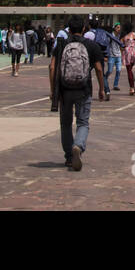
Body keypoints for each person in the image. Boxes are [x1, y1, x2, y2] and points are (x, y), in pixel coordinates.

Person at [50, 18, 106, 172]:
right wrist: (102, 89)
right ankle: (78, 146)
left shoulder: (62, 44)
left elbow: (52, 66)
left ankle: (69, 157)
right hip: (84, 89)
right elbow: (99, 69)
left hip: (65, 89)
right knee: (82, 122)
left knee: (66, 124)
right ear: (83, 29)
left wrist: (52, 90)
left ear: (68, 30)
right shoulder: (90, 45)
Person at [121, 23, 135, 96]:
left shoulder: (124, 36)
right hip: (134, 53)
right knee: (131, 69)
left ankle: (132, 87)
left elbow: (121, 46)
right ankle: (132, 87)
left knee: (129, 70)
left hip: (127, 53)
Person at [105, 22, 125, 92]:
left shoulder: (120, 36)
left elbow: (122, 46)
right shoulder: (110, 36)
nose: (119, 29)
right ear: (114, 28)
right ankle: (104, 79)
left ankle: (115, 85)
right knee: (110, 70)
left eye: (120, 27)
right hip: (111, 55)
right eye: (117, 27)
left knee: (118, 70)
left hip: (118, 55)